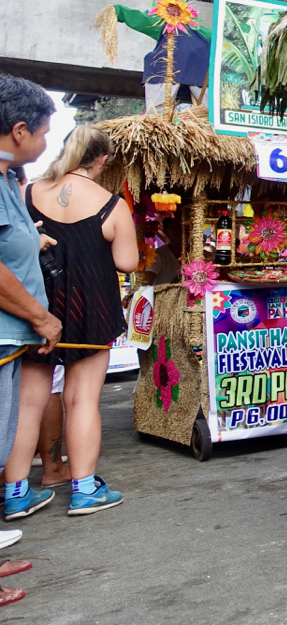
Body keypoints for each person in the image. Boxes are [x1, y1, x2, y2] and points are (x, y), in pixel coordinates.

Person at [4, 126, 137, 524]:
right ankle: (84, 489)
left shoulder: (29, 193)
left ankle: (16, 493)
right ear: (101, 160)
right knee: (82, 400)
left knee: (27, 403)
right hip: (90, 311)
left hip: (37, 309)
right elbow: (128, 263)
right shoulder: (111, 205)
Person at [0, 75, 60, 606]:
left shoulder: (6, 179)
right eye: (43, 133)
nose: (45, 145)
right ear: (19, 131)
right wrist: (41, 317)